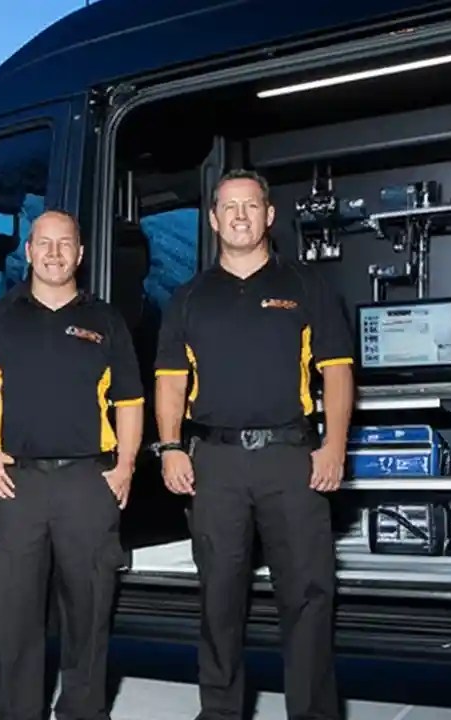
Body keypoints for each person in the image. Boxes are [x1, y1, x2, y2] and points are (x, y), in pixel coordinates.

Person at [152, 169, 355, 720]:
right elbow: (170, 381)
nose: (240, 215)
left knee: (308, 597)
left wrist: (333, 446)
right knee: (219, 598)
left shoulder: (307, 288)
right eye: (228, 207)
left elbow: (336, 373)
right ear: (214, 220)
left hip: (293, 460)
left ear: (269, 215)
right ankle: (219, 713)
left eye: (250, 206)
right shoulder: (188, 297)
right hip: (214, 465)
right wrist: (170, 447)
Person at [0, 209, 146, 720]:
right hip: (17, 486)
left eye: (65, 244)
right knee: (14, 614)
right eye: (45, 243)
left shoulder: (105, 320)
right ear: (29, 251)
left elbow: (130, 400)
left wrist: (125, 464)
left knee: (89, 612)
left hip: (88, 483)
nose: (55, 253)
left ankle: (84, 711)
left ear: (80, 254)